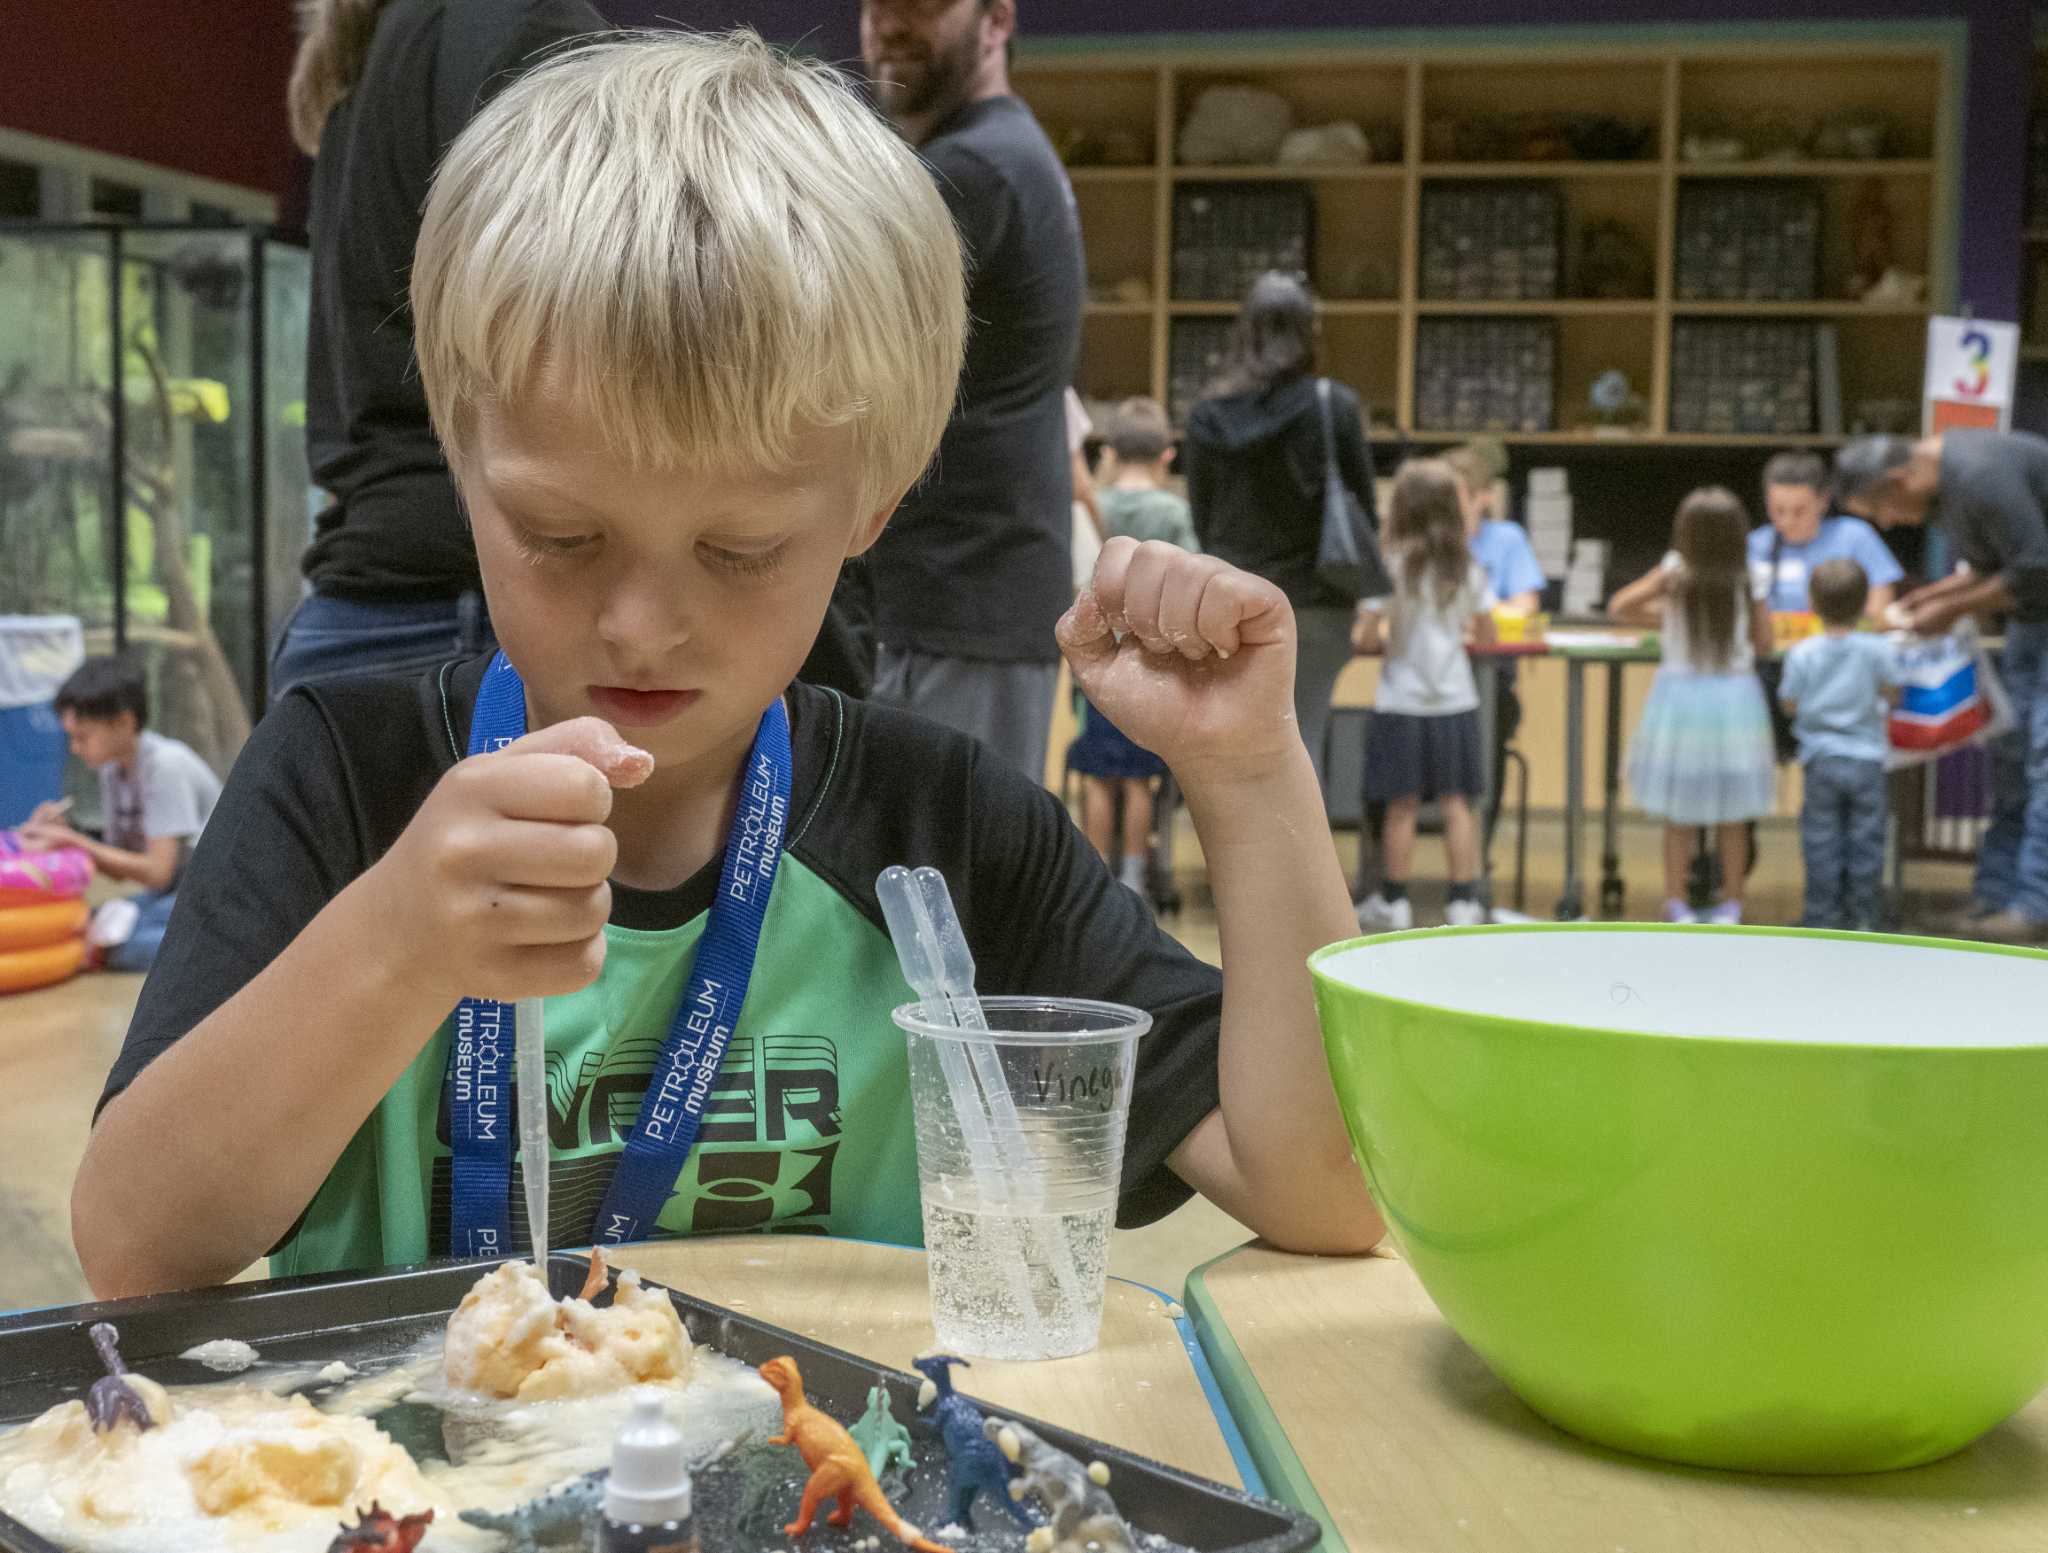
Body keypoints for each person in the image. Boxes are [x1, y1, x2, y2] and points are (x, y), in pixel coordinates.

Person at [70, 33, 1380, 1297]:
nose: (642, 624)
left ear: (869, 508)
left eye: (742, 549)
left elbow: (1322, 1191)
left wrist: (1250, 772)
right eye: (561, 536)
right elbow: (133, 1247)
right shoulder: (347, 782)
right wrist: (398, 942)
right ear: (464, 471)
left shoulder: (944, 833)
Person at [275, 0, 608, 697]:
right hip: (475, 610)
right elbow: (583, 337)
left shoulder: (383, 44)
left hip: (374, 606)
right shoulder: (515, 21)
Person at [861, 0, 1085, 779]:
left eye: (919, 6)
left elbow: (816, 354)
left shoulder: (974, 171)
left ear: (996, 21)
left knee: (938, 890)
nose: (887, 25)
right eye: (874, 5)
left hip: (957, 600)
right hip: (970, 598)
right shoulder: (1004, 152)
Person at [1836, 431, 2048, 943]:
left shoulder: (1978, 475)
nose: (1888, 523)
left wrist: (1948, 610)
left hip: (2038, 608)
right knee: (2012, 753)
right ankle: (1998, 897)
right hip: (2030, 621)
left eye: (1882, 509)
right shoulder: (1949, 490)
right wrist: (1924, 601)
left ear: (1899, 479)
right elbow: (1989, 567)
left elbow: (2037, 567)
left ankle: (2036, 903)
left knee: (2044, 758)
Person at [1184, 273, 1377, 796]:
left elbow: (1203, 519)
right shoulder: (1332, 405)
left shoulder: (1205, 417)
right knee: (1303, 738)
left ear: (1243, 333)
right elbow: (1363, 506)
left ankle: (1238, 875)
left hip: (1231, 604)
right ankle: (1297, 875)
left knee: (1233, 747)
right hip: (1318, 599)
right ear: (1308, 333)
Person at [1609, 488, 1777, 925]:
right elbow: (1764, 642)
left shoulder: (1673, 572)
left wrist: (1666, 619)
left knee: (1679, 811)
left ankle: (1676, 900)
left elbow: (1620, 607)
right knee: (1734, 812)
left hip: (1681, 701)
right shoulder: (1752, 575)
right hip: (1734, 701)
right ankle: (1733, 903)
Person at [1350, 462, 1496, 932]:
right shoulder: (1465, 565)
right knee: (1458, 804)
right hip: (1456, 699)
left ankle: (1395, 901)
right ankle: (1463, 901)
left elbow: (1366, 635)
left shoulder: (1390, 564)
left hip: (1401, 699)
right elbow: (1489, 635)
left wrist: (1378, 633)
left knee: (1401, 805)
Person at [1067, 398, 1199, 895]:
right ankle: (1135, 877)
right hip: (1152, 659)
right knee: (1138, 777)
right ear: (1167, 455)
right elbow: (1191, 579)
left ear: (1111, 450)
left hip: (1094, 656)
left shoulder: (1093, 503)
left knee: (1098, 773)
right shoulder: (1173, 512)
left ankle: (1097, 879)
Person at [16, 657, 221, 973]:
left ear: (124, 723)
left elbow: (157, 872)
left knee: (117, 943)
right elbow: (120, 867)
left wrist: (74, 841)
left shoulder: (166, 766)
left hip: (212, 888)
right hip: (174, 889)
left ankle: (224, 949)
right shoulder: (113, 771)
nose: (74, 747)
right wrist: (66, 834)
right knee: (91, 922)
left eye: (82, 736)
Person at [1777, 559, 1901, 932]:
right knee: (1866, 840)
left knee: (1820, 840)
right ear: (1865, 603)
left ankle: (1820, 917)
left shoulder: (1802, 653)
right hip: (1868, 759)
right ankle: (1863, 917)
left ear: (1812, 604)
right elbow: (1892, 692)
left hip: (1820, 759)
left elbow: (1789, 702)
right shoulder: (1877, 649)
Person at [1748, 451, 1903, 621]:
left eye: (1799, 511)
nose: (1787, 521)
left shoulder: (1854, 536)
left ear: (1823, 500)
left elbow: (1880, 609)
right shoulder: (1755, 544)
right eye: (1778, 510)